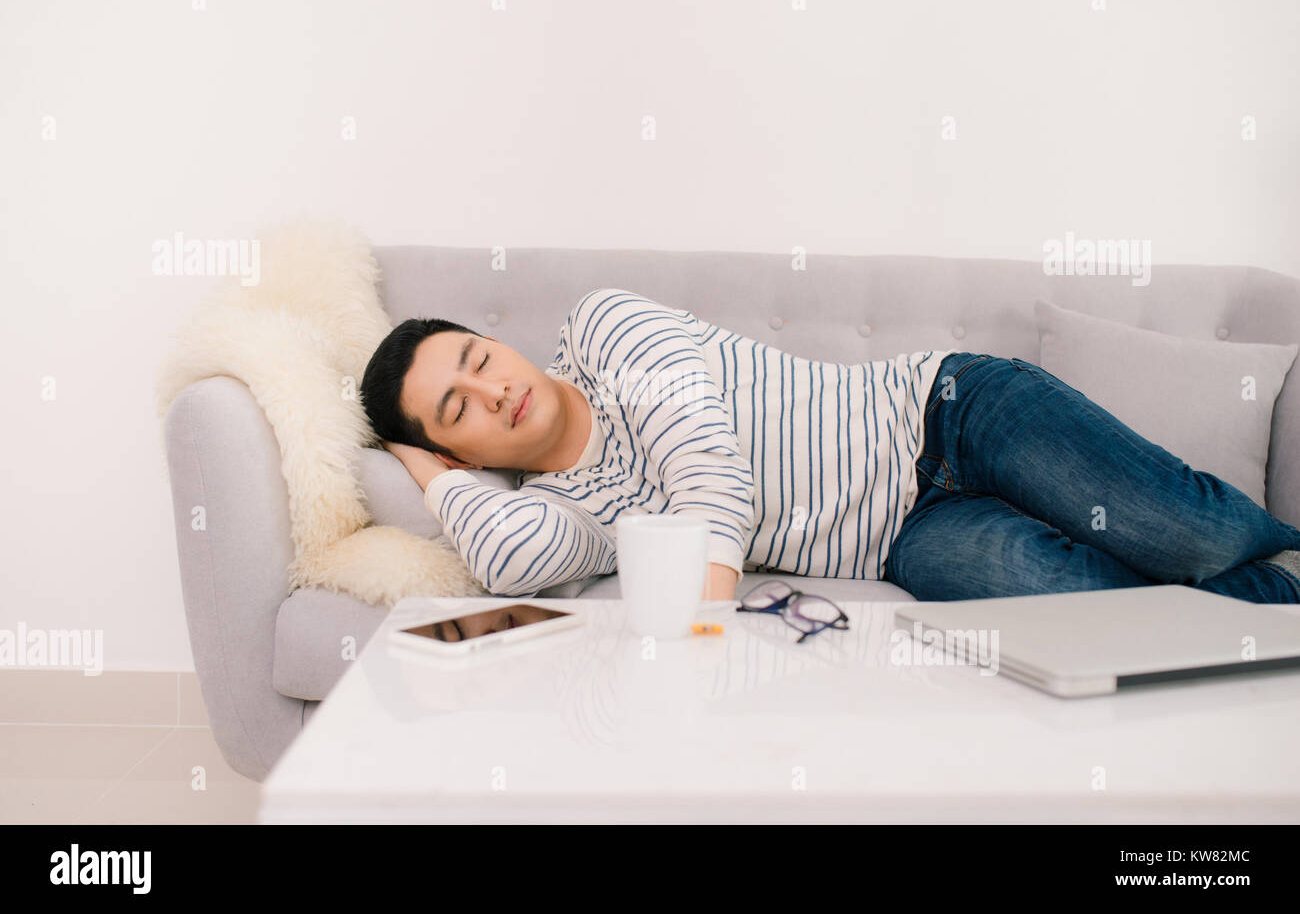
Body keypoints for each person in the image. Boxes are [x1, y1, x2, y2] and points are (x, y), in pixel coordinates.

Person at [360, 287, 1300, 604]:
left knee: (1192, 536)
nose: (495, 389)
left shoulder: (605, 331)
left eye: (478, 359)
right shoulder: (561, 508)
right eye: (457, 408)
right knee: (1092, 603)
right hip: (904, 539)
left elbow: (709, 472)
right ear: (462, 451)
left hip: (945, 412)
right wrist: (424, 470)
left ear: (499, 341)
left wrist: (701, 632)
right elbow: (513, 558)